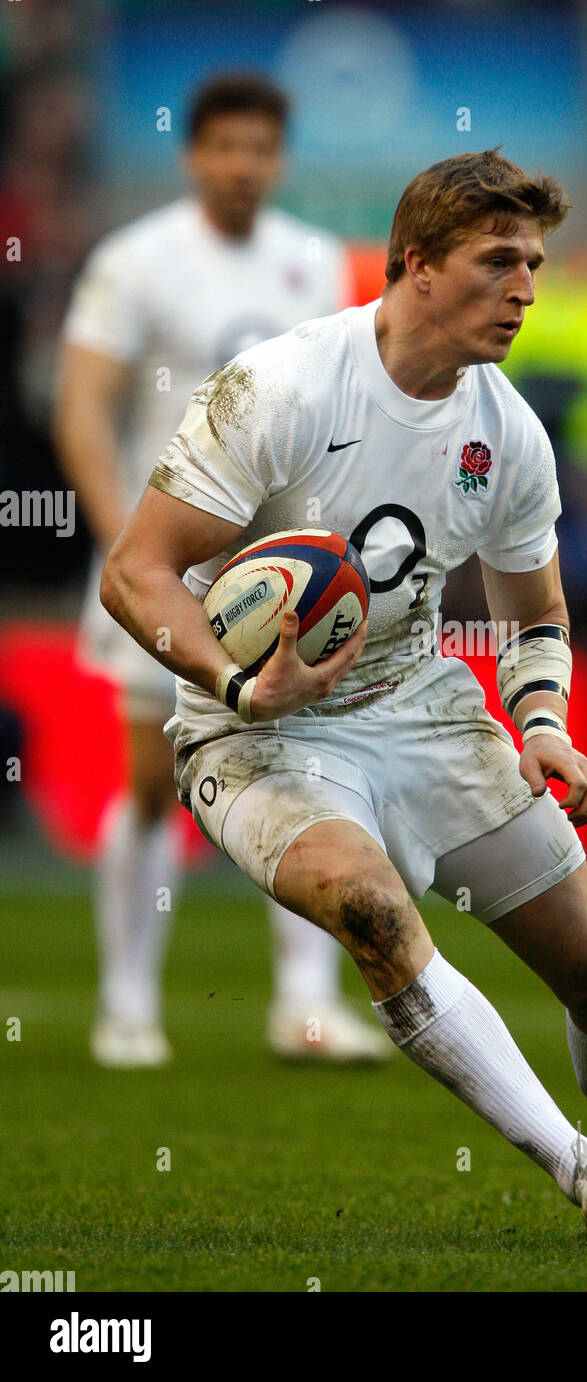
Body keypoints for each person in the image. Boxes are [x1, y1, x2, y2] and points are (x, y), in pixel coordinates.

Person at [99, 149, 587, 1245]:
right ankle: (580, 1168)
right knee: (369, 910)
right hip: (258, 733)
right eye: (496, 261)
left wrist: (545, 724)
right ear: (414, 265)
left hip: (418, 704)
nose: (523, 289)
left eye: (534, 264)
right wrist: (239, 680)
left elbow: (537, 613)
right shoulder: (278, 388)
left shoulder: (507, 435)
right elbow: (134, 571)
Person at [54, 72, 390, 1067]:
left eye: (260, 149)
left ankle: (305, 1004)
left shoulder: (316, 260)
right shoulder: (136, 260)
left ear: (280, 158)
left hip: (280, 567)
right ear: (192, 153)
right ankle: (125, 1002)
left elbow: (336, 405)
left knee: (302, 762)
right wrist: (129, 545)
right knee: (154, 781)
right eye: (225, 148)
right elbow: (81, 404)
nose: (243, 166)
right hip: (163, 560)